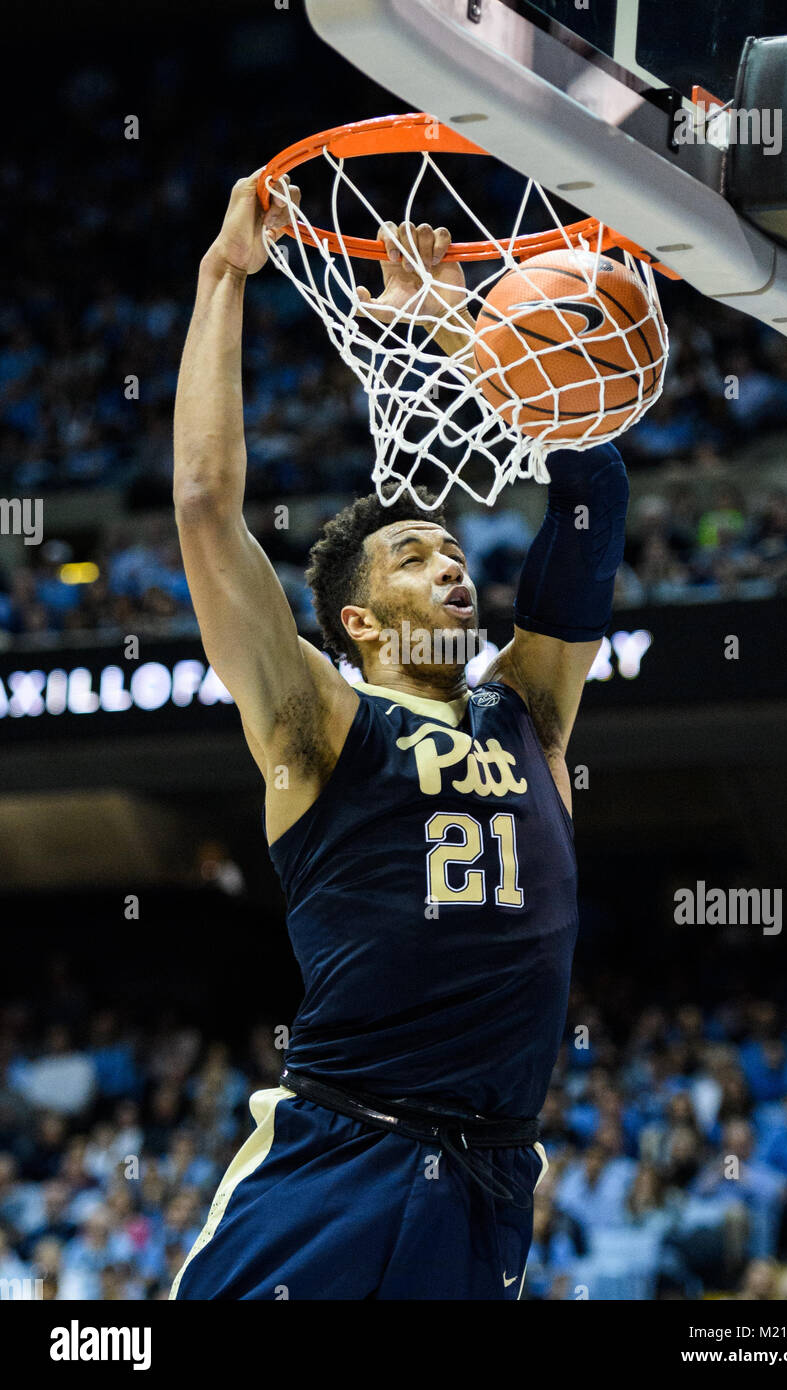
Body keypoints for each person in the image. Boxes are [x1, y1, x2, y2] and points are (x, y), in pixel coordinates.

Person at [170, 172, 630, 1300]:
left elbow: (593, 500)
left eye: (455, 548)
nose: (454, 562)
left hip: (486, 1176)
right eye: (417, 555)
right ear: (358, 621)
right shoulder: (320, 717)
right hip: (335, 1157)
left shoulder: (530, 707)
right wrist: (224, 272)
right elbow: (201, 502)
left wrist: (462, 325)